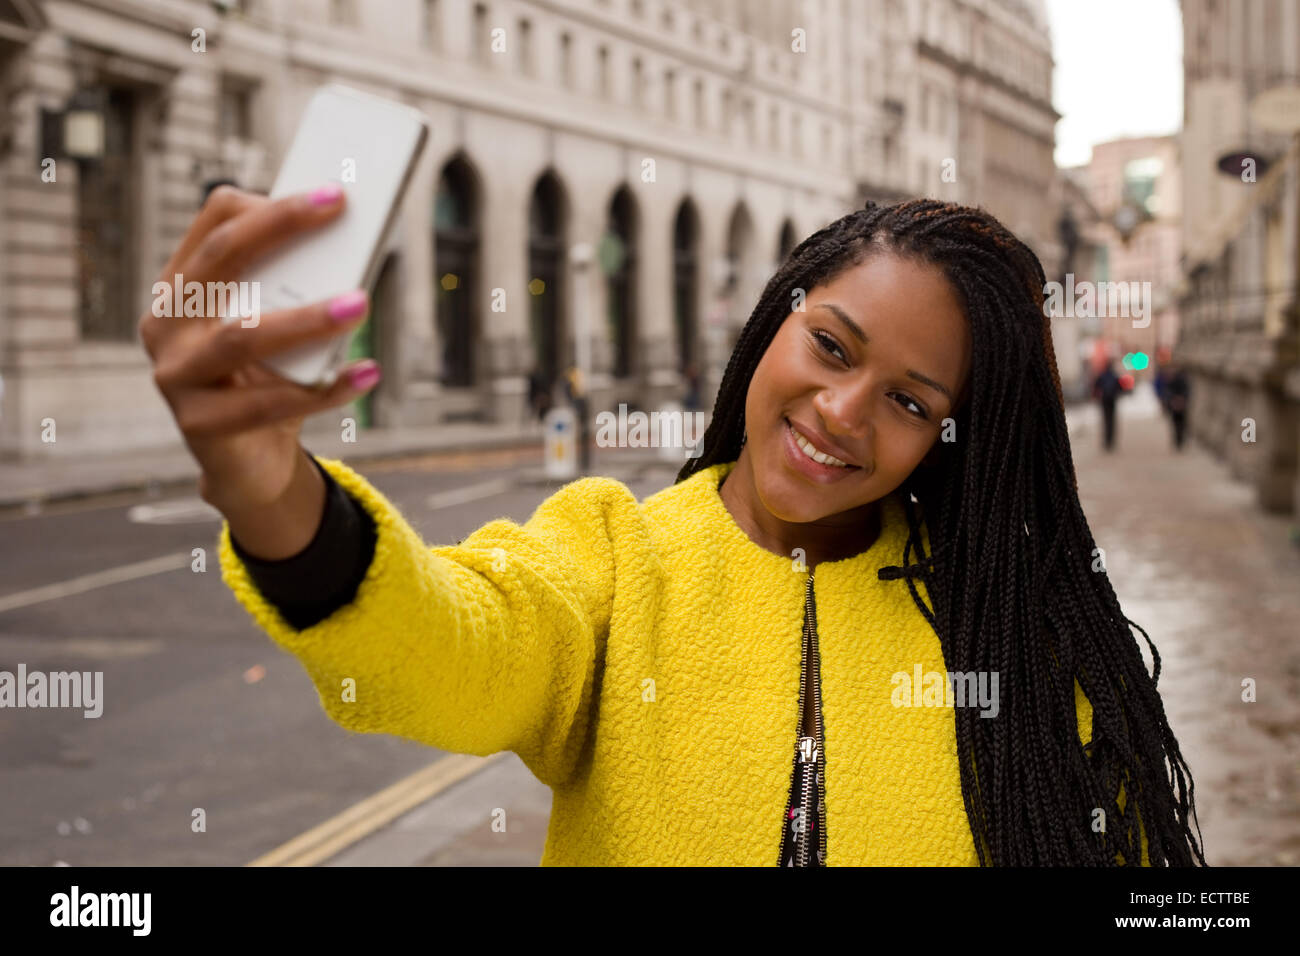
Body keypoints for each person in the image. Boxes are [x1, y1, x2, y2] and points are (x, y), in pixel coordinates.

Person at [142, 188, 1204, 866]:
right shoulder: (612, 554)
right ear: (777, 314)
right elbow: (443, 645)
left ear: (948, 438)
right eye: (832, 347)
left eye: (910, 402)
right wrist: (272, 489)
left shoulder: (1006, 625)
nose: (843, 411)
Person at [1092, 358, 1122, 451]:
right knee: (1111, 421)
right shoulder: (1114, 375)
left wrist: (1096, 396)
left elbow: (1096, 386)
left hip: (1105, 400)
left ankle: (1107, 440)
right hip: (1111, 400)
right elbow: (1119, 387)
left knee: (1106, 420)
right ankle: (1110, 440)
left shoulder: (1102, 375)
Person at [1164, 362, 1191, 450]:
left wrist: (1181, 399)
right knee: (1176, 423)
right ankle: (1178, 440)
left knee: (1181, 423)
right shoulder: (1170, 380)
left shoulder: (1181, 379)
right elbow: (1167, 391)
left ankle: (1180, 440)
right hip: (1174, 405)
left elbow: (1186, 391)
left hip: (1181, 404)